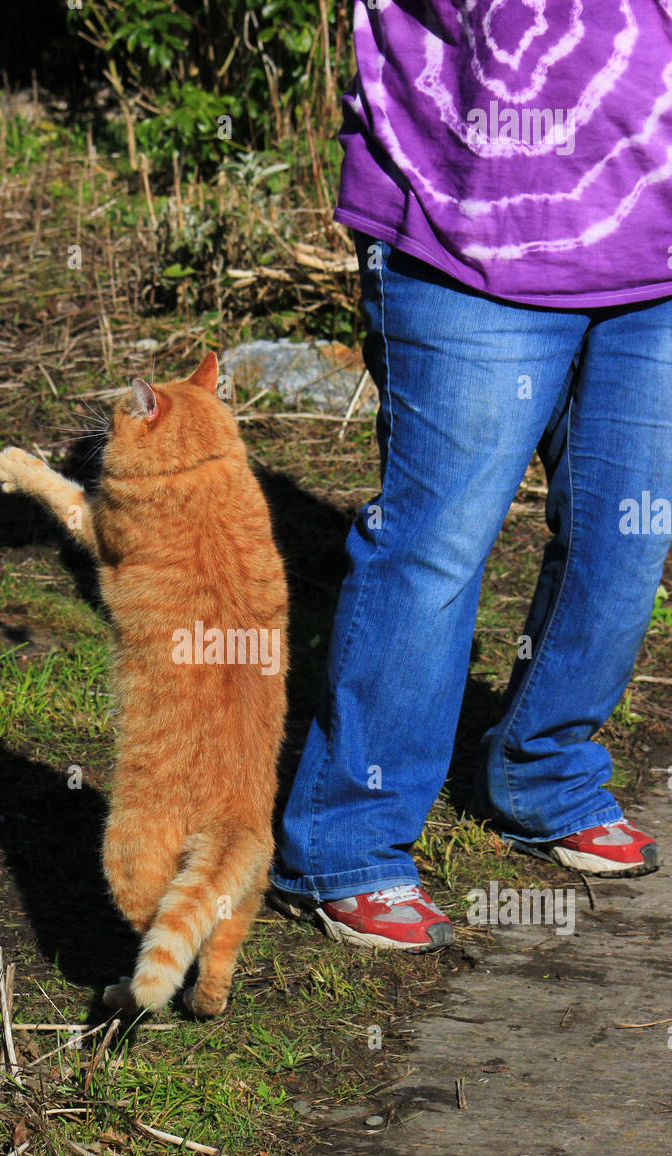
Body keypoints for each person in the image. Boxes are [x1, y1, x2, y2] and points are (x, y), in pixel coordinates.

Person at [270, 2, 672, 951]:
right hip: (464, 231)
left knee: (625, 535)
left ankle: (544, 770)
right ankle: (346, 844)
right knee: (435, 545)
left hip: (652, 237)